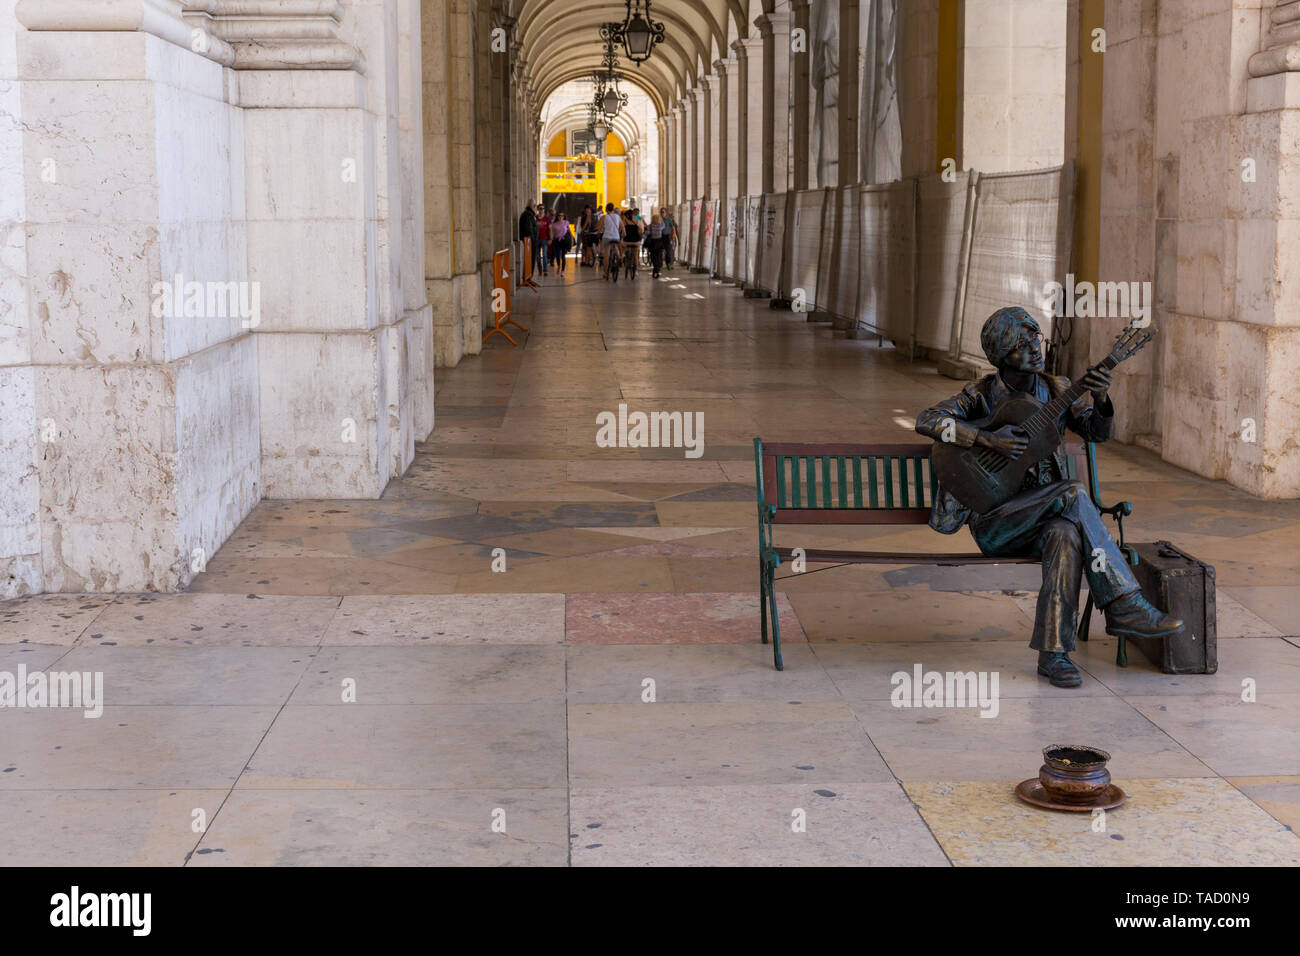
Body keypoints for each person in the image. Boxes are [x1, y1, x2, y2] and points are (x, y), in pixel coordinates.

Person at [915, 306, 1184, 688]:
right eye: (1022, 342)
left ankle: (1054, 654)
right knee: (1073, 494)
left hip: (1043, 520)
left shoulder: (1057, 389)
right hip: (997, 522)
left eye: (1035, 338)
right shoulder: (980, 395)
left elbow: (1096, 432)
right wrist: (986, 438)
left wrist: (1102, 399)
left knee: (1065, 534)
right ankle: (1125, 604)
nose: (1034, 347)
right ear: (1000, 352)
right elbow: (927, 420)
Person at [600, 202, 624, 280]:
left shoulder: (604, 217)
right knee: (615, 246)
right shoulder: (617, 217)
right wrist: (619, 232)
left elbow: (599, 228)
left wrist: (599, 231)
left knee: (606, 255)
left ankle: (605, 273)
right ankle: (619, 257)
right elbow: (622, 227)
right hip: (616, 237)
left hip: (607, 237)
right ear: (613, 209)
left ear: (606, 209)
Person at [519, 202, 540, 276]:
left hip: (530, 241)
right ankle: (529, 277)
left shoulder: (529, 214)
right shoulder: (529, 215)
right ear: (533, 206)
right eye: (536, 207)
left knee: (531, 259)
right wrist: (533, 239)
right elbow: (529, 229)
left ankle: (529, 276)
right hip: (530, 242)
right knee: (531, 259)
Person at [621, 209, 642, 279]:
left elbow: (622, 230)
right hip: (636, 241)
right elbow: (641, 229)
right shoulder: (637, 220)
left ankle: (623, 254)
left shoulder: (624, 221)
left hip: (627, 240)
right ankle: (635, 270)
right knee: (636, 255)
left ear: (626, 215)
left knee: (622, 244)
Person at [646, 214, 666, 278]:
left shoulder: (650, 226)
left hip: (652, 242)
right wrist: (661, 220)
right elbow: (664, 225)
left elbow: (647, 233)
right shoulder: (661, 226)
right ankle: (657, 269)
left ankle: (655, 268)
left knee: (653, 256)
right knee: (659, 255)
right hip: (659, 242)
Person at [659, 207, 678, 271]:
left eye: (663, 212)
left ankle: (668, 264)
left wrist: (673, 235)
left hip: (667, 236)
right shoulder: (658, 219)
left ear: (665, 213)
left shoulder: (669, 219)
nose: (662, 213)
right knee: (660, 251)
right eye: (661, 212)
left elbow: (673, 228)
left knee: (668, 251)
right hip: (660, 237)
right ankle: (660, 265)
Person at [536, 204, 551, 276]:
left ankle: (545, 270)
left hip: (544, 239)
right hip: (536, 240)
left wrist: (550, 239)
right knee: (538, 256)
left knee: (545, 255)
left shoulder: (547, 219)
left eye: (543, 208)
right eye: (540, 208)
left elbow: (550, 229)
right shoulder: (535, 218)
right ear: (538, 209)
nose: (542, 210)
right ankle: (540, 270)